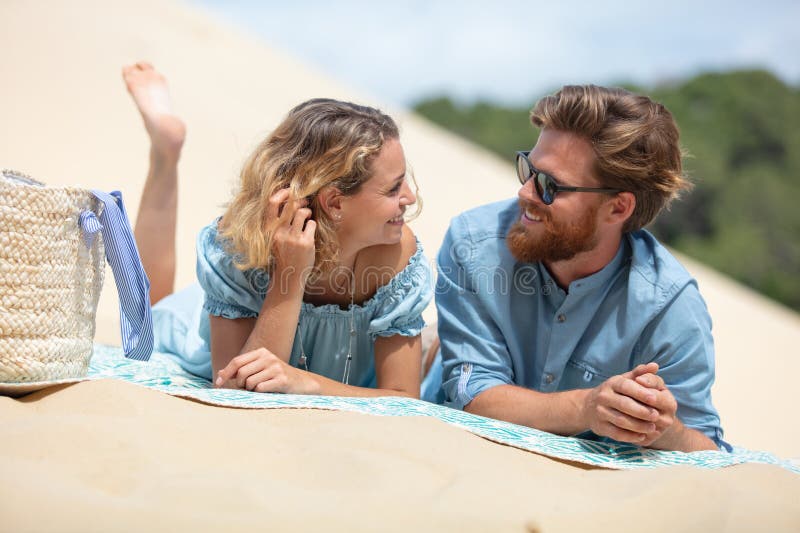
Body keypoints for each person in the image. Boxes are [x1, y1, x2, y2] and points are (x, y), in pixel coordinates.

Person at [434, 85, 728, 452]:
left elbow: (707, 452)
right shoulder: (472, 244)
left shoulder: (671, 309)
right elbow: (472, 394)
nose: (525, 193)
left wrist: (661, 429)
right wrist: (586, 408)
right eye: (527, 169)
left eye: (549, 185)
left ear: (618, 208)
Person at [123, 62, 433, 398]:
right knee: (148, 319)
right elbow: (237, 390)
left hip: (316, 380)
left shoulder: (397, 257)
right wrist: (289, 274)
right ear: (335, 203)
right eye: (393, 188)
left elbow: (404, 397)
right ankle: (165, 154)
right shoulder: (241, 242)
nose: (409, 197)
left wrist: (306, 382)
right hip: (196, 331)